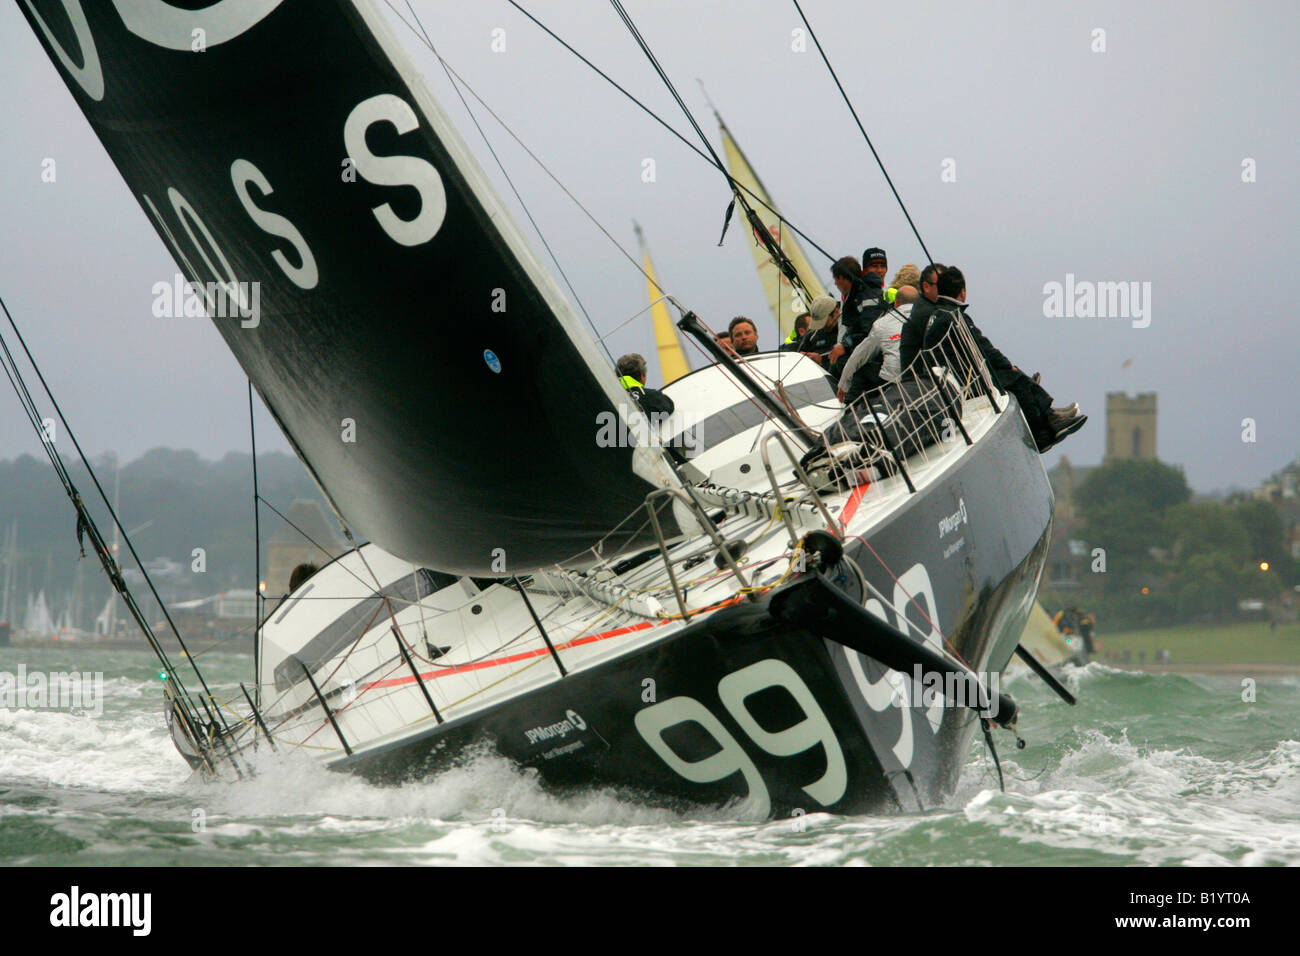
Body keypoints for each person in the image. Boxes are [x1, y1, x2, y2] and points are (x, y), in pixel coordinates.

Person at [921, 267, 1085, 452]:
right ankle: (1043, 433)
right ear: (962, 292)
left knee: (1015, 376)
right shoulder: (955, 317)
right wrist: (1008, 366)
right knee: (1015, 379)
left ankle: (1050, 414)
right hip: (965, 385)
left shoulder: (937, 314)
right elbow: (985, 348)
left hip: (948, 380)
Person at [797, 295, 844, 373]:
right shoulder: (812, 335)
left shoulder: (848, 326)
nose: (821, 327)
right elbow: (799, 356)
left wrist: (821, 359)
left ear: (836, 312)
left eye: (824, 322)